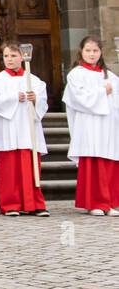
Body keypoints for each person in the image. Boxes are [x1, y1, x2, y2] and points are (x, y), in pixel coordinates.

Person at [0, 42, 49, 217]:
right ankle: (10, 204)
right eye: (6, 56)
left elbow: (43, 104)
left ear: (22, 57)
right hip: (8, 129)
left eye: (13, 56)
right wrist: (13, 97)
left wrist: (35, 99)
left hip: (28, 130)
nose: (10, 59)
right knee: (9, 170)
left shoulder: (34, 80)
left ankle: (34, 203)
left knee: (31, 168)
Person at [63, 36, 119, 217]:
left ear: (101, 52)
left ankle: (109, 202)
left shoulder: (110, 76)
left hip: (108, 126)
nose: (92, 54)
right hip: (88, 125)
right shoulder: (76, 74)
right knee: (93, 163)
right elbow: (79, 99)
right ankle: (94, 202)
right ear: (81, 51)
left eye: (95, 51)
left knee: (109, 162)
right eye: (88, 50)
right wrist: (103, 91)